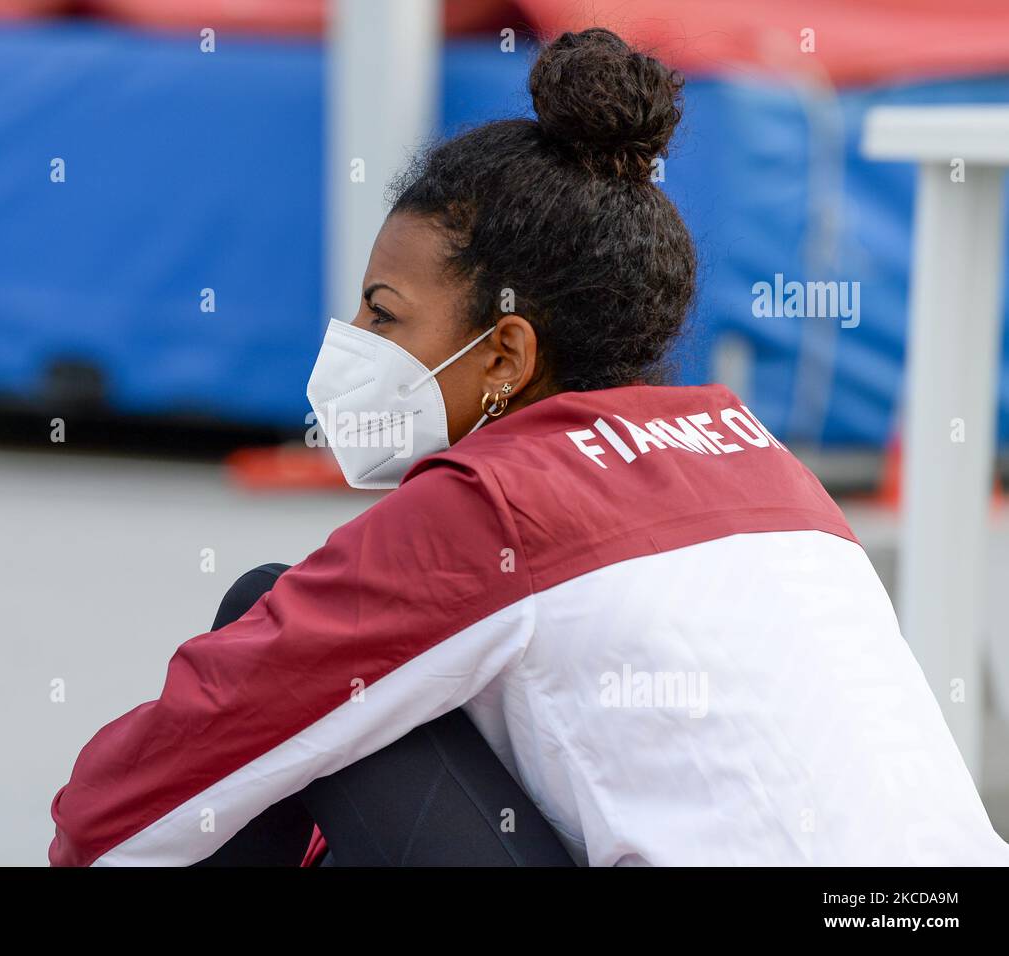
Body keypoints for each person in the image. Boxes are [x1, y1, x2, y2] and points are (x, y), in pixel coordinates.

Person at [49, 28, 1009, 866]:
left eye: (382, 317)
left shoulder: (496, 503)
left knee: (275, 625)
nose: (350, 342)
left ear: (506, 351)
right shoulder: (763, 461)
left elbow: (132, 804)